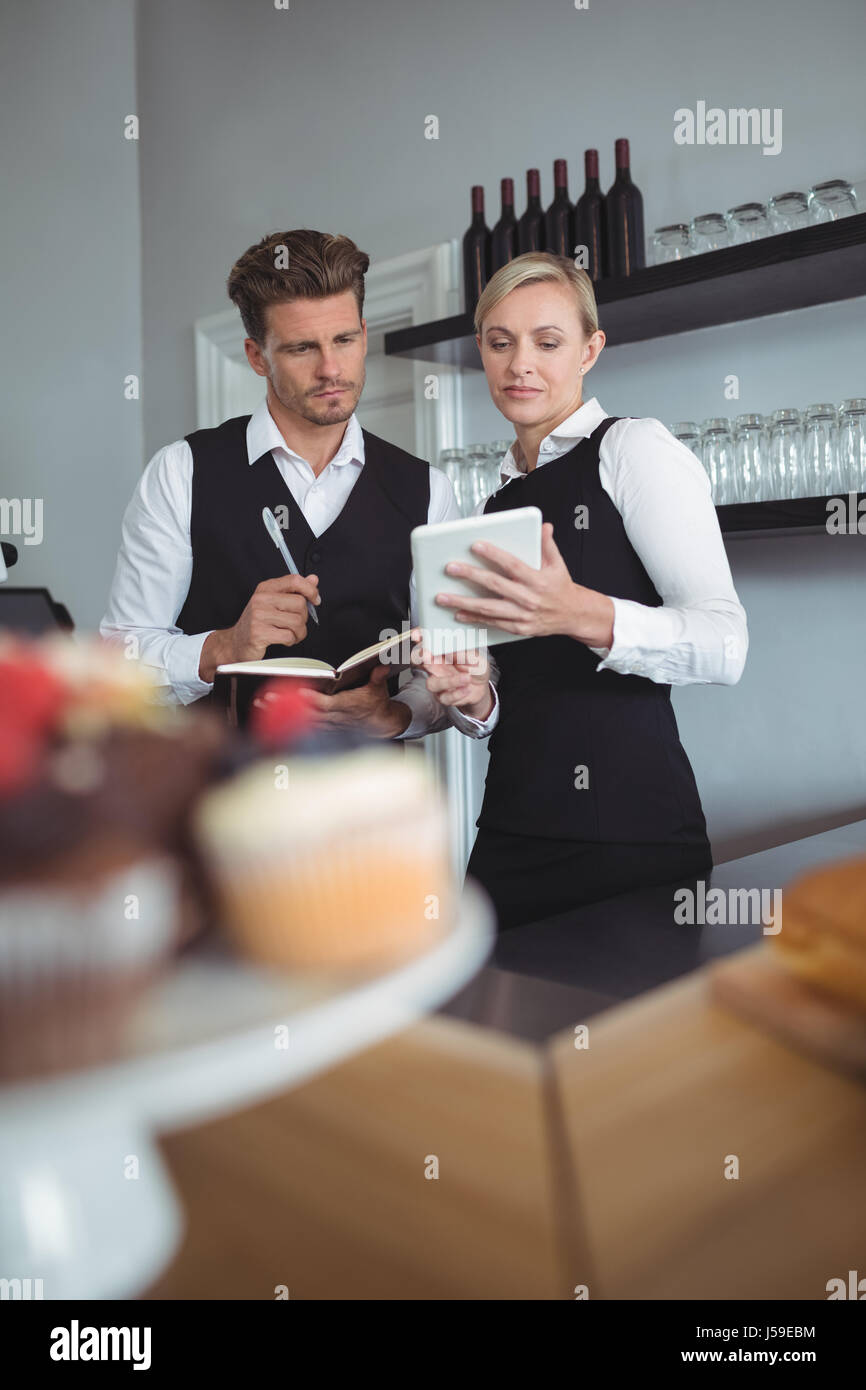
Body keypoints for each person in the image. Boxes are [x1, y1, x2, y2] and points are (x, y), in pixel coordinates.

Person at [414, 252, 749, 930]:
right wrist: (479, 696)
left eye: (548, 342)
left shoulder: (633, 448)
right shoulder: (496, 500)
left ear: (591, 349)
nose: (520, 365)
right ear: (481, 349)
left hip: (632, 836)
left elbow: (725, 642)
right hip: (510, 831)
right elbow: (523, 690)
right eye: (500, 343)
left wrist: (580, 612)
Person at [101, 228, 478, 742]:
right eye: (303, 348)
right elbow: (117, 662)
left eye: (344, 340)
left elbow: (456, 668)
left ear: (364, 335)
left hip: (370, 809)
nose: (330, 368)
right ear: (257, 357)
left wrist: (397, 715)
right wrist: (222, 648)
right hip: (215, 804)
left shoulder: (427, 490)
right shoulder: (181, 471)